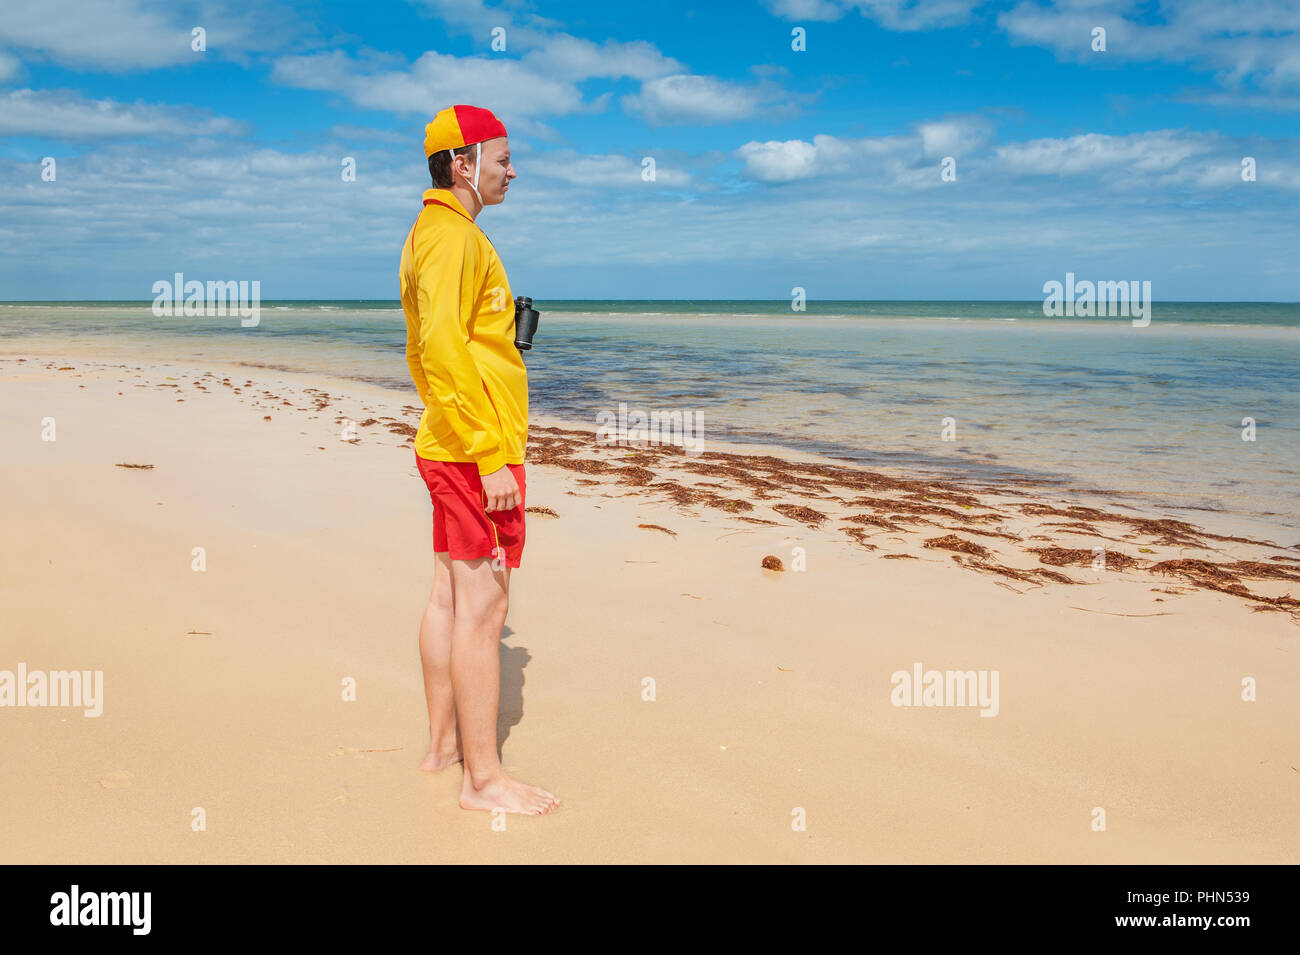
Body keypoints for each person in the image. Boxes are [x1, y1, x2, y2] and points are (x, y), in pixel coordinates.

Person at [399, 104, 559, 815]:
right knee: (485, 605)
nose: (511, 170)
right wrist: (491, 453)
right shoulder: (451, 238)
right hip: (473, 450)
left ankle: (444, 747)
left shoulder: (435, 234)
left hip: (453, 439)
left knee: (449, 596)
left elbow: (437, 346)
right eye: (501, 158)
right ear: (463, 163)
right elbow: (439, 350)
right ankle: (484, 781)